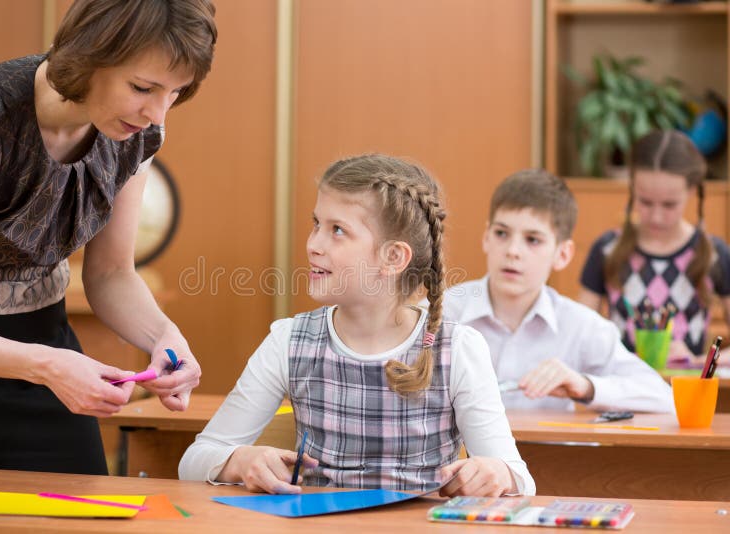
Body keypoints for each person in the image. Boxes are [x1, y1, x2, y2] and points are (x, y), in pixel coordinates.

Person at [0, 0, 217, 475]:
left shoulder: (136, 133)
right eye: (143, 88)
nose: (156, 112)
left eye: (175, 92)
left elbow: (111, 274)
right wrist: (45, 366)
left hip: (44, 346)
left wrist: (164, 336)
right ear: (90, 54)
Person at [178, 154, 535, 497]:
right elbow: (194, 461)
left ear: (393, 257)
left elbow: (520, 479)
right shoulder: (288, 341)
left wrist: (496, 473)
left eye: (337, 230)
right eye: (316, 224)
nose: (313, 244)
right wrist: (239, 461)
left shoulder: (457, 349)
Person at [442, 169, 674, 412]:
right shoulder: (442, 312)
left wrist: (586, 386)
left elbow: (663, 397)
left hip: (547, 451)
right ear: (486, 238)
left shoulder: (581, 326)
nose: (513, 250)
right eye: (501, 233)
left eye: (533, 240)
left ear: (562, 254)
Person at [579, 130, 730, 363]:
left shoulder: (713, 253)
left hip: (684, 392)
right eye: (645, 202)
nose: (657, 217)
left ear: (691, 191)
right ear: (632, 188)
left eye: (669, 205)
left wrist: (701, 361)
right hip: (622, 391)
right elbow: (578, 334)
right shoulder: (607, 249)